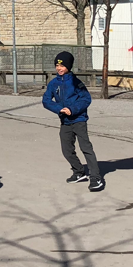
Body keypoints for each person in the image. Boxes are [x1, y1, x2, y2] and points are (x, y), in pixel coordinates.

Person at [42, 51, 103, 192]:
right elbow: (46, 100)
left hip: (79, 120)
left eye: (62, 65)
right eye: (57, 65)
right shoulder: (53, 83)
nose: (59, 68)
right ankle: (79, 172)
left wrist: (73, 109)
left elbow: (86, 99)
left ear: (68, 66)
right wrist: (59, 108)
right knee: (67, 150)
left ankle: (96, 177)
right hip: (65, 122)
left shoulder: (76, 83)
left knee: (86, 148)